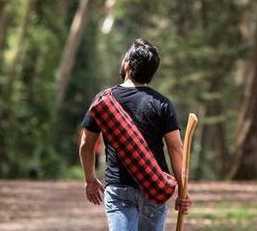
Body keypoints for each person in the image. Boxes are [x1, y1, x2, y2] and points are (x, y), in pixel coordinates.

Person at [79, 38, 193, 231]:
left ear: (128, 65)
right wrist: (183, 192)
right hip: (154, 187)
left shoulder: (104, 101)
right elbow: (176, 149)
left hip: (119, 187)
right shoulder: (162, 104)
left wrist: (90, 180)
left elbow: (85, 145)